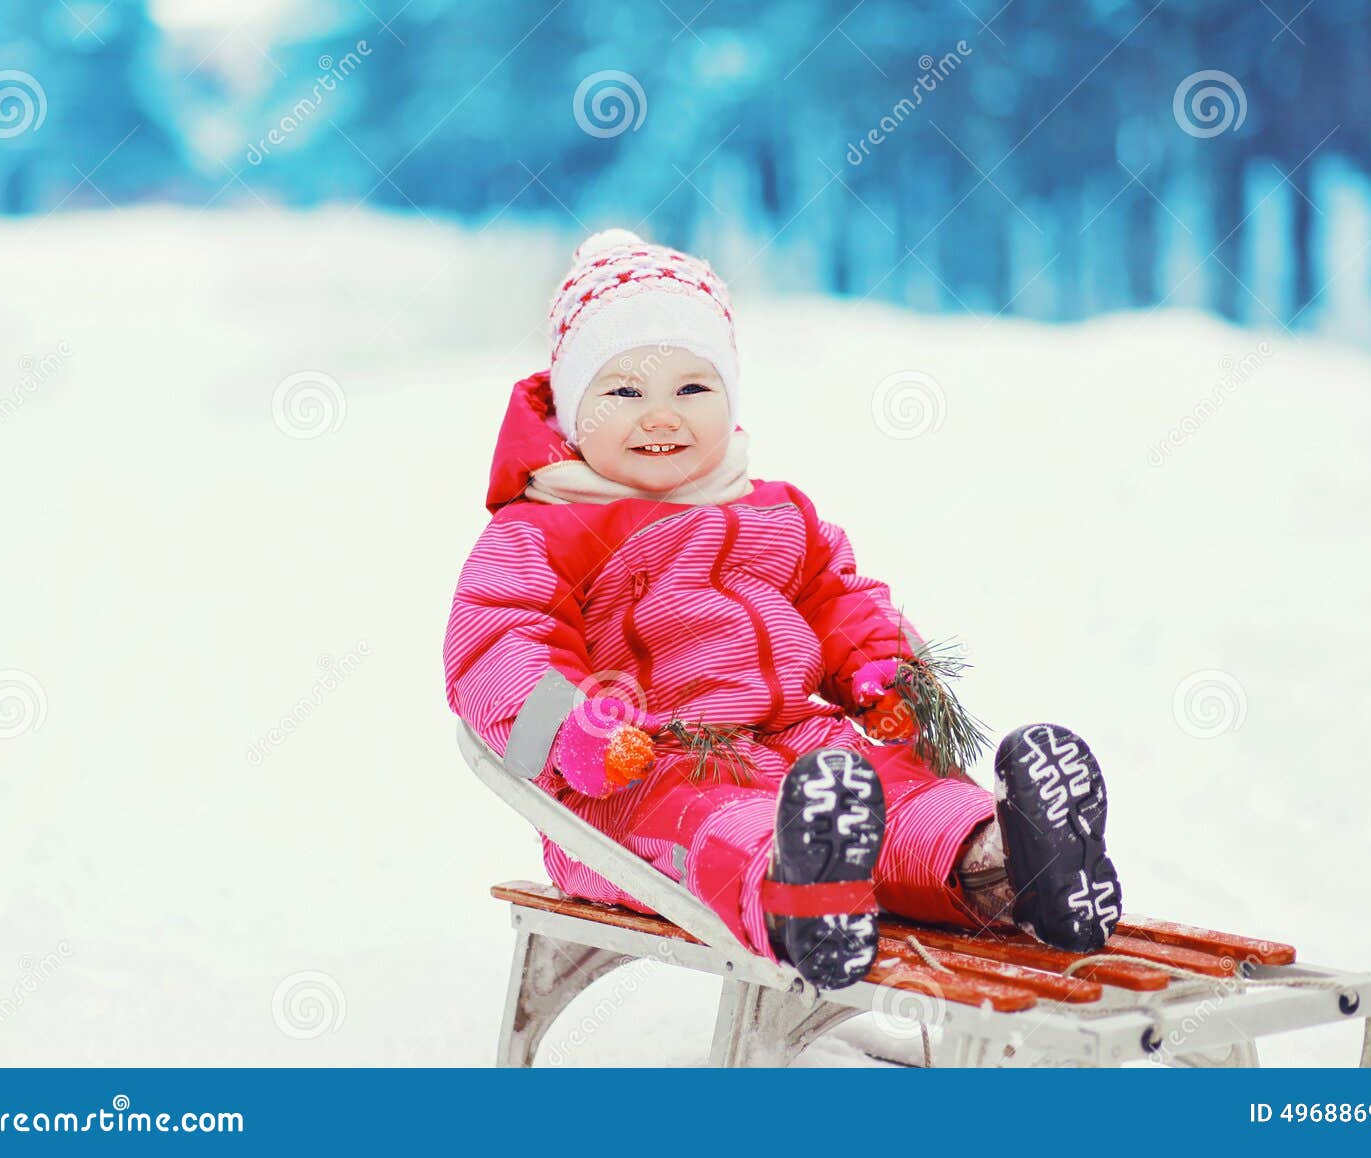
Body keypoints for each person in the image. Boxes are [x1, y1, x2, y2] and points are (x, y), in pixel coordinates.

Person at [443, 228, 1122, 989]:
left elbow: (836, 598)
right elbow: (495, 651)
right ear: (572, 412)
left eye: (692, 389)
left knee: (893, 785)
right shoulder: (542, 531)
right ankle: (797, 892)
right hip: (641, 773)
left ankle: (1006, 862)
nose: (662, 416)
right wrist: (580, 730)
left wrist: (885, 672)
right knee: (713, 825)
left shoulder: (773, 510)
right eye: (624, 392)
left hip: (794, 745)